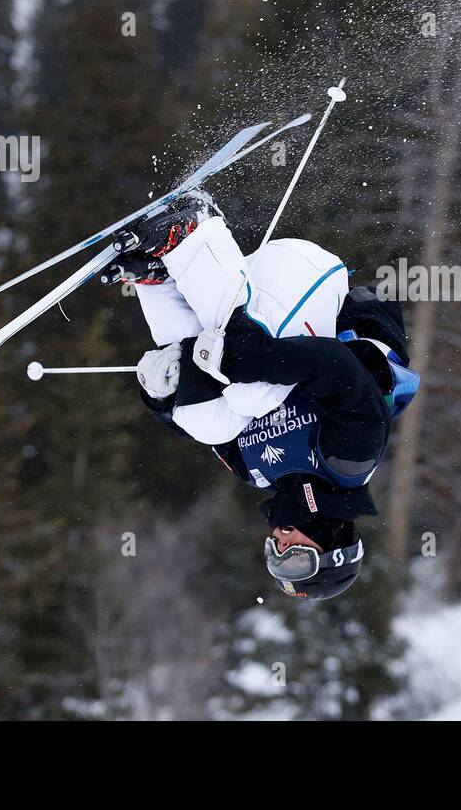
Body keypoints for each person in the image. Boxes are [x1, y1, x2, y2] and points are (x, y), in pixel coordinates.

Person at [107, 194, 418, 600]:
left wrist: (164, 397)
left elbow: (196, 419)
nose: (281, 546)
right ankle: (195, 233)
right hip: (306, 278)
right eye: (298, 559)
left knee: (207, 422)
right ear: (333, 542)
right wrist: (246, 361)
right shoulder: (351, 457)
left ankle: (156, 277)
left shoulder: (257, 472)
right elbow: (333, 366)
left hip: (250, 296)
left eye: (275, 556)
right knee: (253, 397)